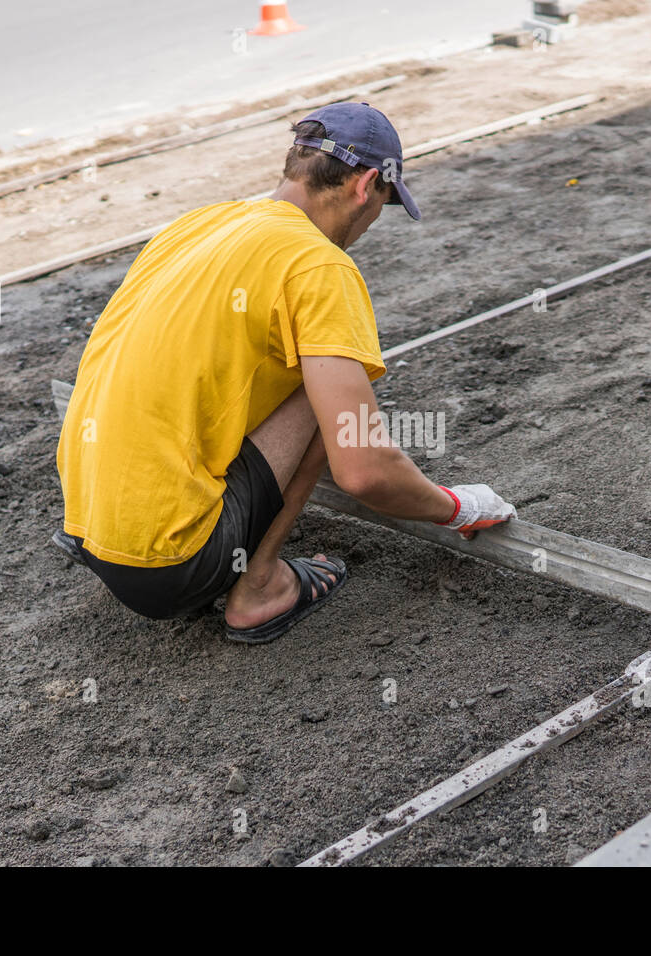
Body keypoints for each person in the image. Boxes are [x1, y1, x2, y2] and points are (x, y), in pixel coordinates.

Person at [55, 102, 515, 643]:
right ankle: (260, 589)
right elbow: (363, 471)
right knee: (330, 393)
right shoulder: (318, 264)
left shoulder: (198, 224)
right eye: (383, 207)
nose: (368, 227)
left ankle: (150, 526)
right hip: (169, 569)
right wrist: (456, 508)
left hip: (86, 528)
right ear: (367, 186)